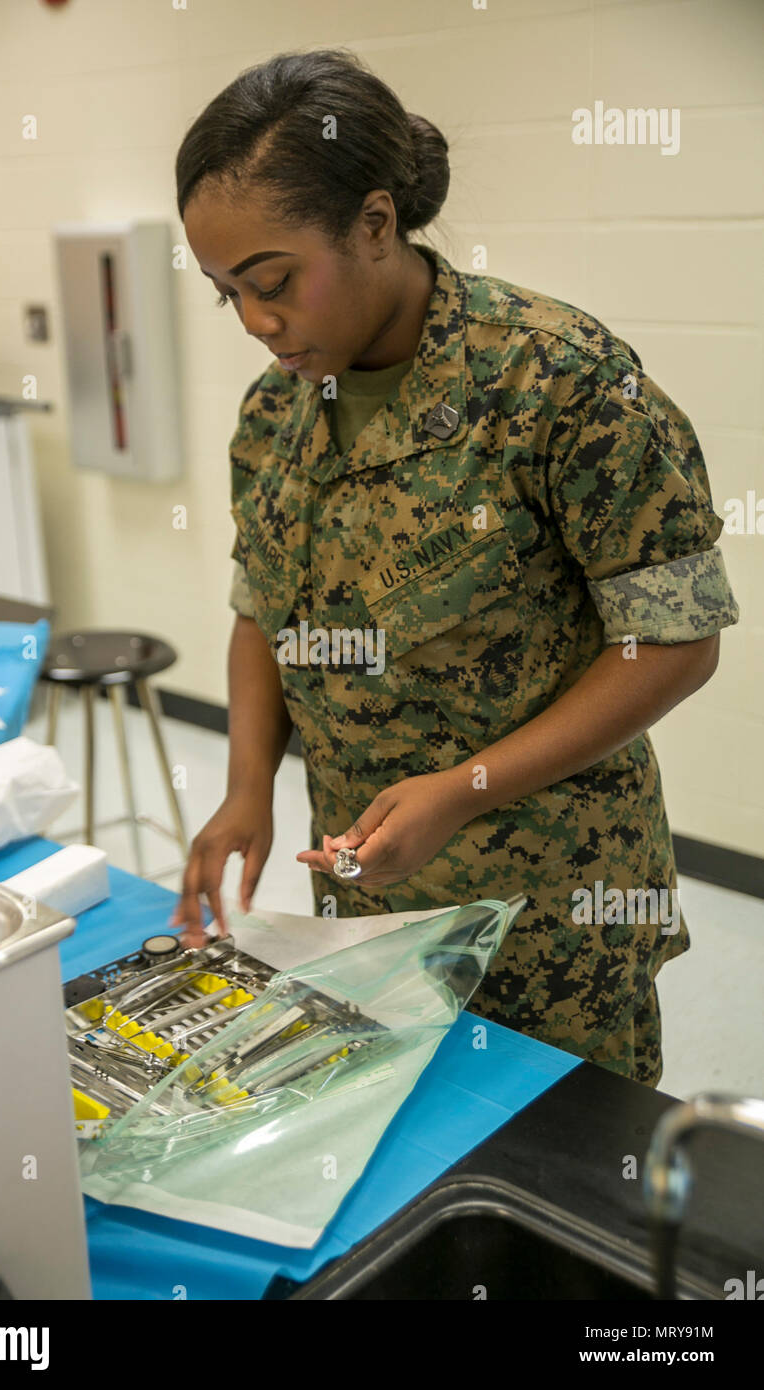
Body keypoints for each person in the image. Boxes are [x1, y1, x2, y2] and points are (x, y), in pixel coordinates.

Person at [169, 48, 739, 1086]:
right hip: (368, 900)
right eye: (227, 297)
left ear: (374, 224)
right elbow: (262, 611)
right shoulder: (277, 414)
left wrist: (464, 789)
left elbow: (672, 640)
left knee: (563, 1206)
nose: (257, 323)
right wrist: (247, 784)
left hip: (552, 913)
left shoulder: (553, 381)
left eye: (272, 283)